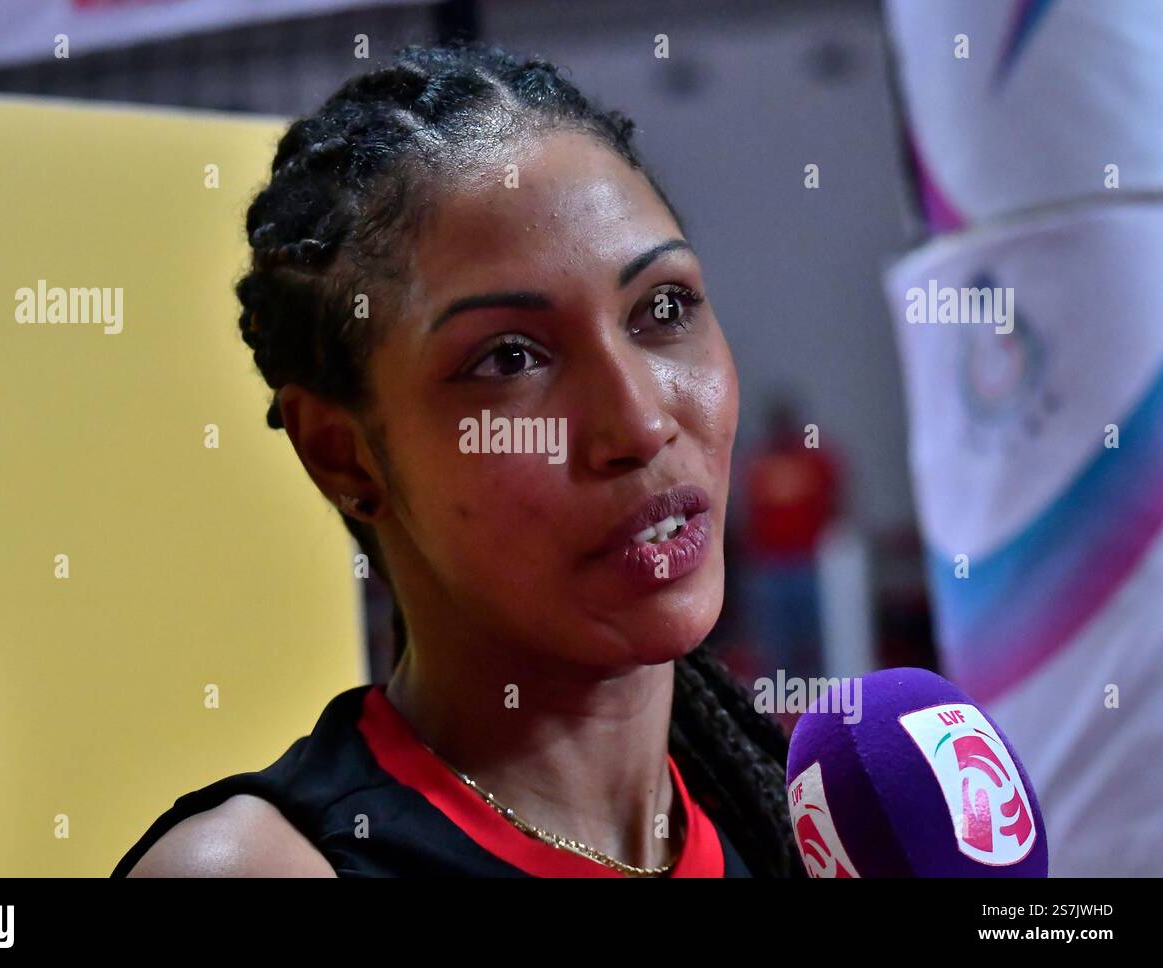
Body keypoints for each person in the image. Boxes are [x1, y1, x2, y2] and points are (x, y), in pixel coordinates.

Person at [112, 40, 801, 878]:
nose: (640, 422)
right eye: (509, 359)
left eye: (662, 307)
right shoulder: (262, 868)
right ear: (346, 457)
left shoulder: (804, 832)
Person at [742, 397, 841, 683]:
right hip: (771, 566)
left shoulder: (816, 460)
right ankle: (779, 697)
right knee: (775, 637)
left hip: (809, 564)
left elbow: (836, 503)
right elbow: (749, 515)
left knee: (817, 633)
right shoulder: (758, 463)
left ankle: (821, 693)